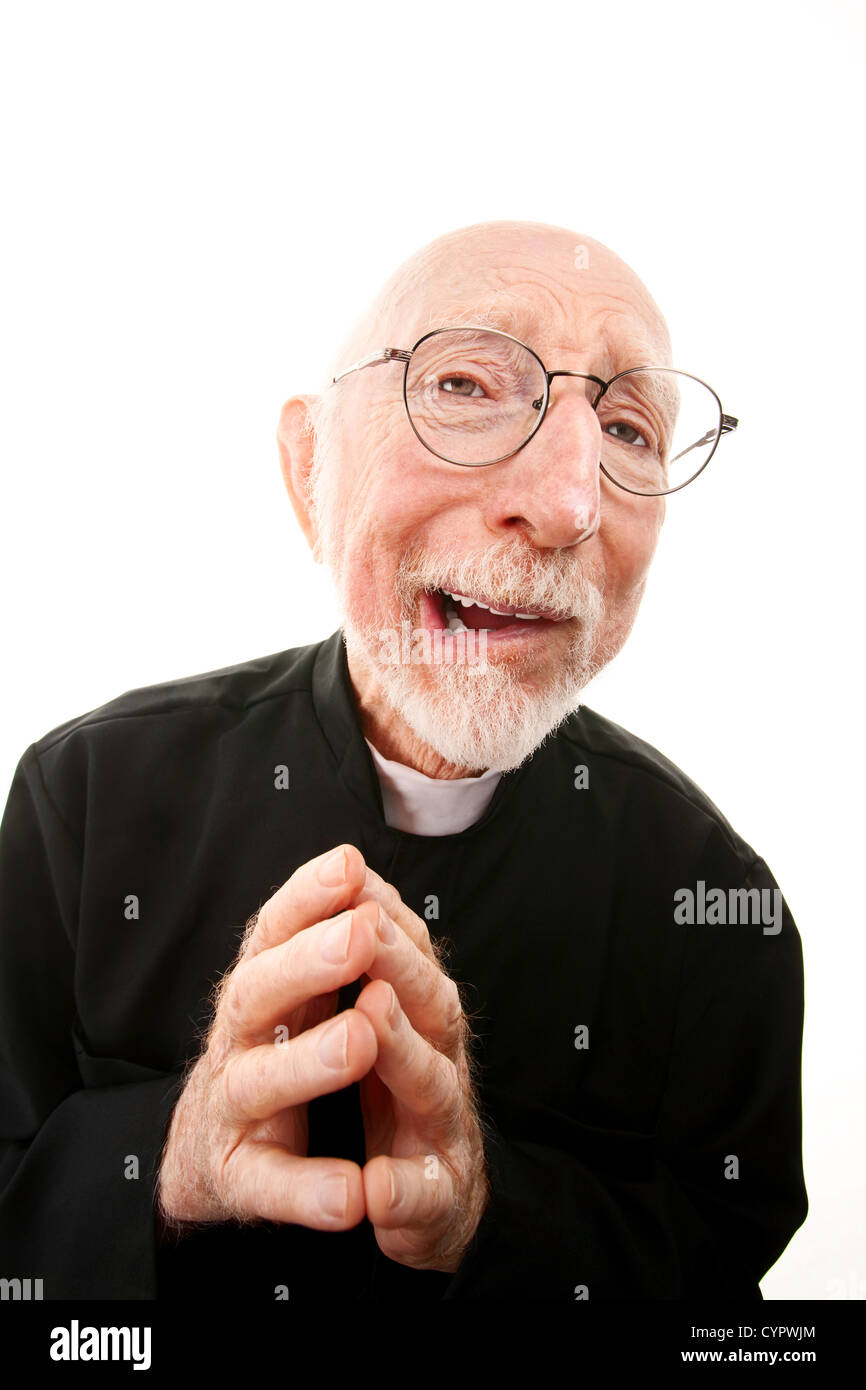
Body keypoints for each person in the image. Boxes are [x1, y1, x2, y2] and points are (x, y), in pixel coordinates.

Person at [0, 221, 806, 1300]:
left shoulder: (717, 912)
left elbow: (719, 1285)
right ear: (308, 470)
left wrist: (490, 1210)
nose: (569, 505)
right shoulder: (83, 801)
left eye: (626, 427)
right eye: (469, 383)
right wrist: (171, 1155)